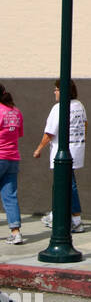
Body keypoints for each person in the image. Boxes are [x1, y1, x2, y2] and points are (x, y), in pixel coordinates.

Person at [33, 80, 86, 232]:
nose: (54, 92)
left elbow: (50, 133)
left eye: (57, 89)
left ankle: (74, 219)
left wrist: (39, 149)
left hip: (62, 153)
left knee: (66, 185)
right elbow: (85, 125)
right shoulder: (79, 106)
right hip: (77, 149)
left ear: (64, 91)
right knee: (68, 184)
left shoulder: (58, 108)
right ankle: (59, 214)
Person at [0, 84, 24, 245]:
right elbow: (19, 133)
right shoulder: (16, 112)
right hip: (12, 158)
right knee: (10, 196)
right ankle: (16, 233)